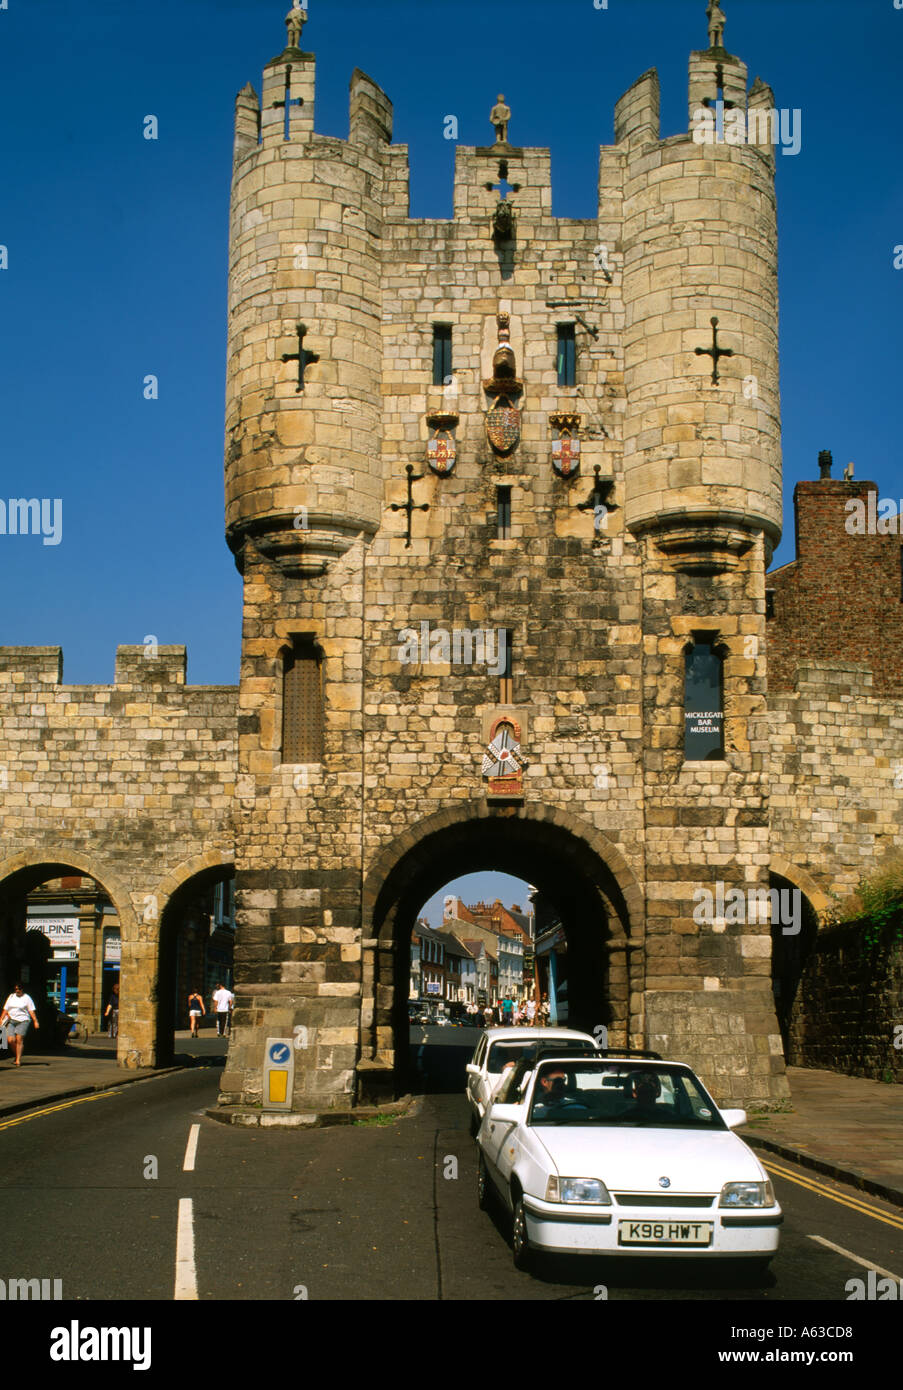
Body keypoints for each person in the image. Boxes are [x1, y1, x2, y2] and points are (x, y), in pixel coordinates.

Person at [0, 983, 39, 1067]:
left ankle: (18, 1060)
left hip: (23, 1021)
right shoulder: (11, 997)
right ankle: (17, 1055)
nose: (17, 990)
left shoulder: (27, 998)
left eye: (19, 989)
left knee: (19, 1039)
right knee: (10, 1040)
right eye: (16, 989)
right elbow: (6, 1009)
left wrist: (35, 1021)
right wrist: (1, 1018)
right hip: (11, 1020)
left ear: (22, 989)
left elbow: (31, 1011)